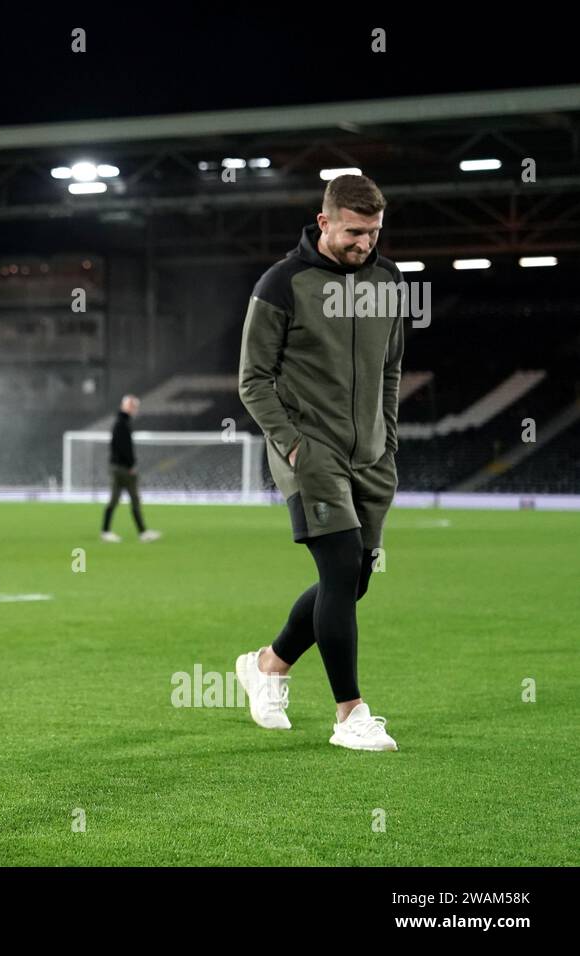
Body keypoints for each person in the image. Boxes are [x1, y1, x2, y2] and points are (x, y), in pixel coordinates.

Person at [235, 174, 402, 751]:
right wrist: (293, 444)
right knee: (340, 566)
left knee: (355, 582)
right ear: (324, 221)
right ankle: (350, 715)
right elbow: (253, 380)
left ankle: (269, 664)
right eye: (354, 232)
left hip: (372, 454)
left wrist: (389, 439)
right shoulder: (282, 284)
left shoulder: (388, 280)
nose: (365, 243)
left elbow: (391, 368)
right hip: (310, 452)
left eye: (374, 232)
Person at [101, 394, 160, 542]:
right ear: (129, 406)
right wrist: (130, 465)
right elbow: (124, 448)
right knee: (132, 499)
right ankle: (141, 533)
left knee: (117, 500)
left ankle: (107, 531)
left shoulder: (120, 422)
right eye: (133, 406)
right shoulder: (122, 424)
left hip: (117, 467)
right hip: (122, 469)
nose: (135, 409)